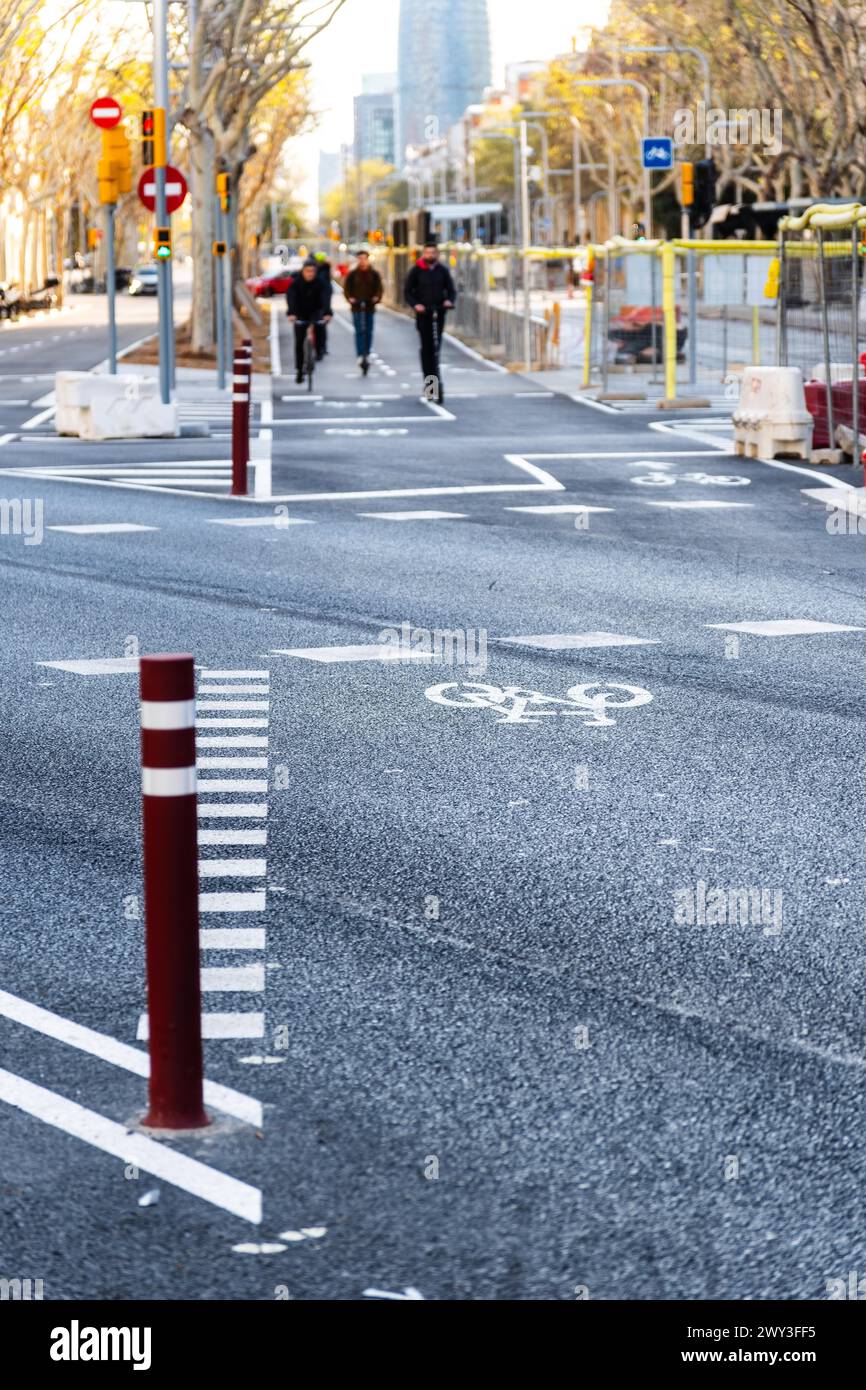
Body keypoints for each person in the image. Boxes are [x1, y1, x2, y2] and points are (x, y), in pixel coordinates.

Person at [404, 240, 455, 403]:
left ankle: (436, 383)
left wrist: (449, 301)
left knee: (436, 349)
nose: (430, 256)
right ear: (423, 254)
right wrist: (416, 305)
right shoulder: (417, 270)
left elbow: (451, 290)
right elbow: (407, 292)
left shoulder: (442, 271)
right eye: (427, 253)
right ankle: (430, 385)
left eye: (433, 253)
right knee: (427, 350)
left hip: (438, 313)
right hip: (423, 314)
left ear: (437, 254)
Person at [286, 257, 332, 383]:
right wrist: (291, 313)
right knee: (299, 342)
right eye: (307, 271)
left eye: (312, 271)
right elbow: (291, 297)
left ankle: (320, 350)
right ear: (303, 271)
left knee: (320, 327)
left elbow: (326, 298)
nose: (310, 274)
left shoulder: (321, 282)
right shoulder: (296, 282)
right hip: (299, 313)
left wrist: (327, 313)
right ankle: (300, 370)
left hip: (315, 311)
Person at [343, 249, 383, 373]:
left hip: (370, 306)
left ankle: (367, 352)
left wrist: (376, 297)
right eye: (360, 259)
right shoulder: (352, 274)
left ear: (367, 259)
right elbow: (346, 289)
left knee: (369, 331)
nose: (362, 261)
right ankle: (360, 355)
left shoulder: (374, 274)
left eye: (364, 258)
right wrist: (350, 298)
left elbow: (379, 288)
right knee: (359, 331)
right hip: (357, 307)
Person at [313, 251, 333, 359]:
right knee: (320, 325)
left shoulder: (322, 272)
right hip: (318, 302)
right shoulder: (322, 271)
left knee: (320, 325)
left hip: (322, 302)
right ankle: (321, 347)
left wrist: (327, 310)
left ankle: (321, 348)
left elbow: (327, 292)